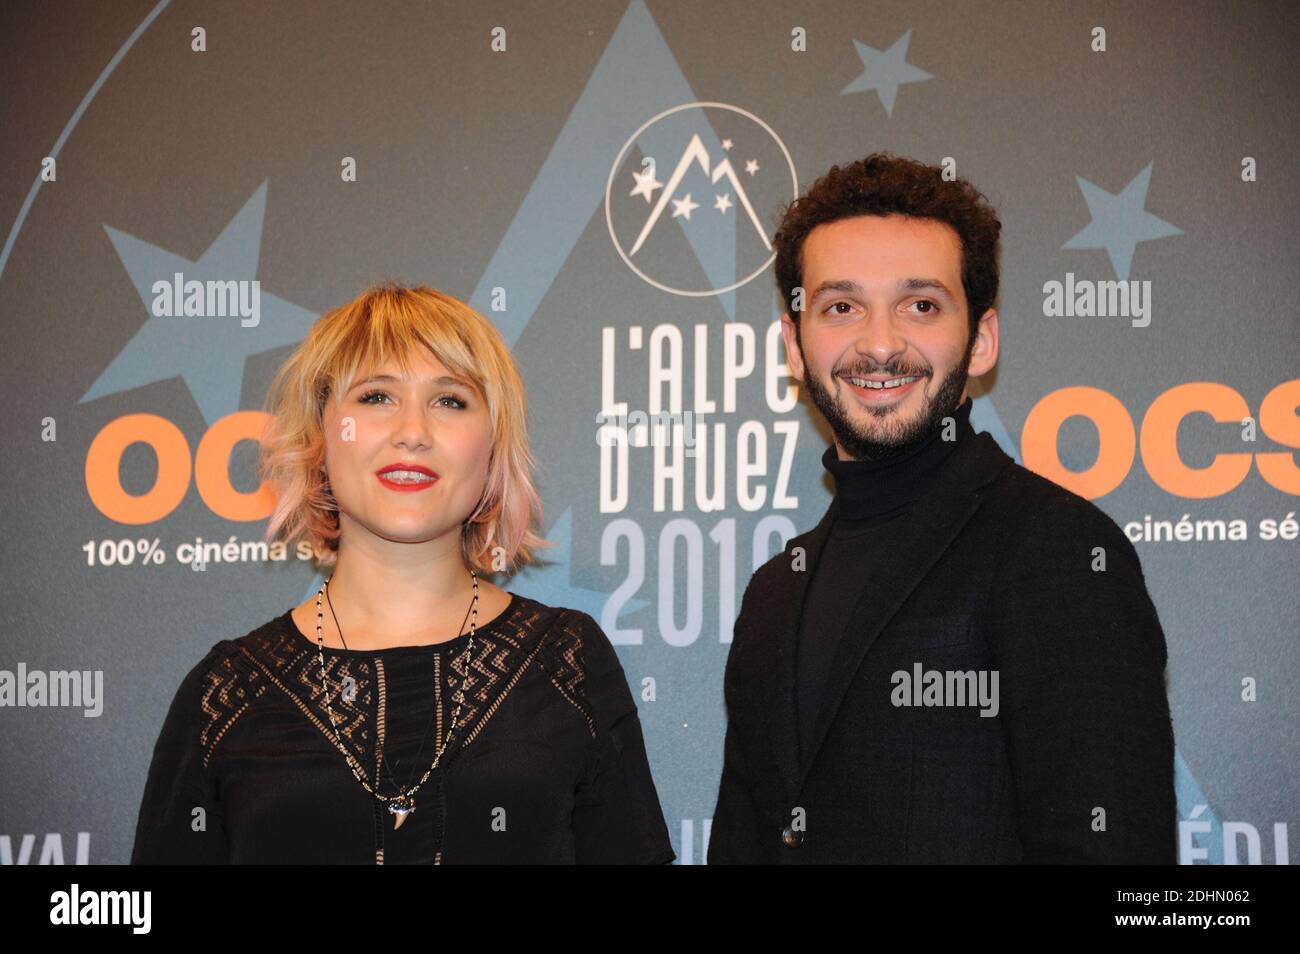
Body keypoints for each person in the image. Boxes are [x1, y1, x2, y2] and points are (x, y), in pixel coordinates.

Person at [708, 154, 1176, 863]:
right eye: (841, 307)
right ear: (794, 347)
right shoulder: (774, 593)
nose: (880, 343)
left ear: (982, 340)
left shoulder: (1059, 550)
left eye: (920, 304)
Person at [131, 282, 674, 864]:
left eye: (450, 401)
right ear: (319, 439)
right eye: (375, 397)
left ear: (491, 451)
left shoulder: (569, 663)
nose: (413, 432)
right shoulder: (226, 693)